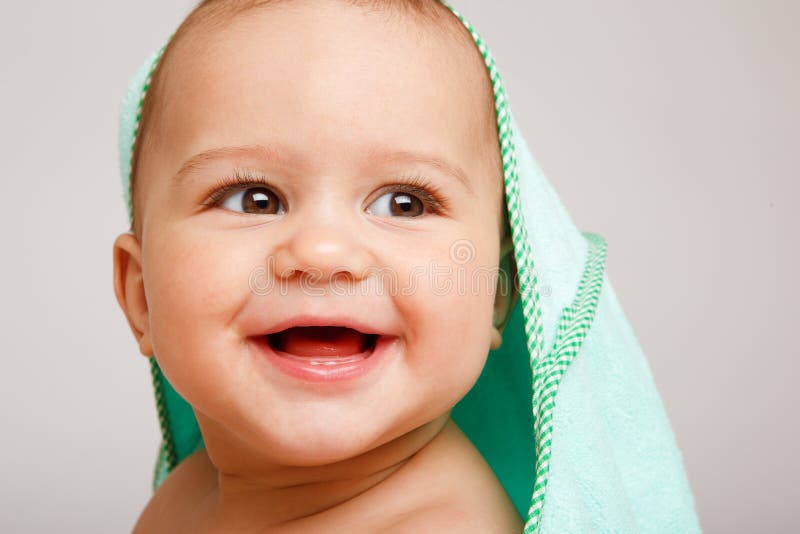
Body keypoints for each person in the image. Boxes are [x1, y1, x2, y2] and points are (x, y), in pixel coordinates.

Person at [113, 1, 702, 532]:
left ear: (499, 291)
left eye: (404, 203)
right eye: (254, 198)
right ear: (142, 298)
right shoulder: (183, 498)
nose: (323, 253)